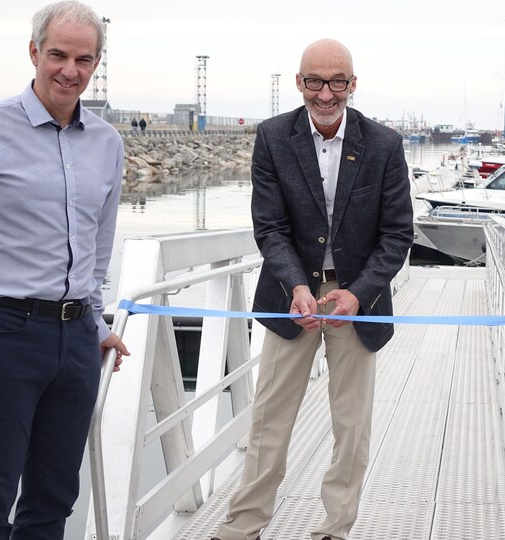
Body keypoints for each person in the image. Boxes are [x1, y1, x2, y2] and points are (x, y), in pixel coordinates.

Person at [0, 2, 130, 538]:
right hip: (1, 337)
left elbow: (97, 250)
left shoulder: (108, 143)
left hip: (76, 339)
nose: (70, 70)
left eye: (84, 59)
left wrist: (97, 326)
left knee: (54, 497)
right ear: (34, 52)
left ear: (96, 63)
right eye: (58, 54)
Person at [212, 38, 413, 540]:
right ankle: (244, 525)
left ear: (353, 84)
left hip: (356, 299)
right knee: (269, 418)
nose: (327, 94)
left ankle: (335, 529)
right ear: (299, 82)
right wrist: (296, 285)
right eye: (315, 82)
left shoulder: (384, 144)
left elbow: (397, 233)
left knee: (352, 424)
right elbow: (270, 227)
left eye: (338, 81)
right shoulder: (274, 137)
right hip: (291, 294)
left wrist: (360, 292)